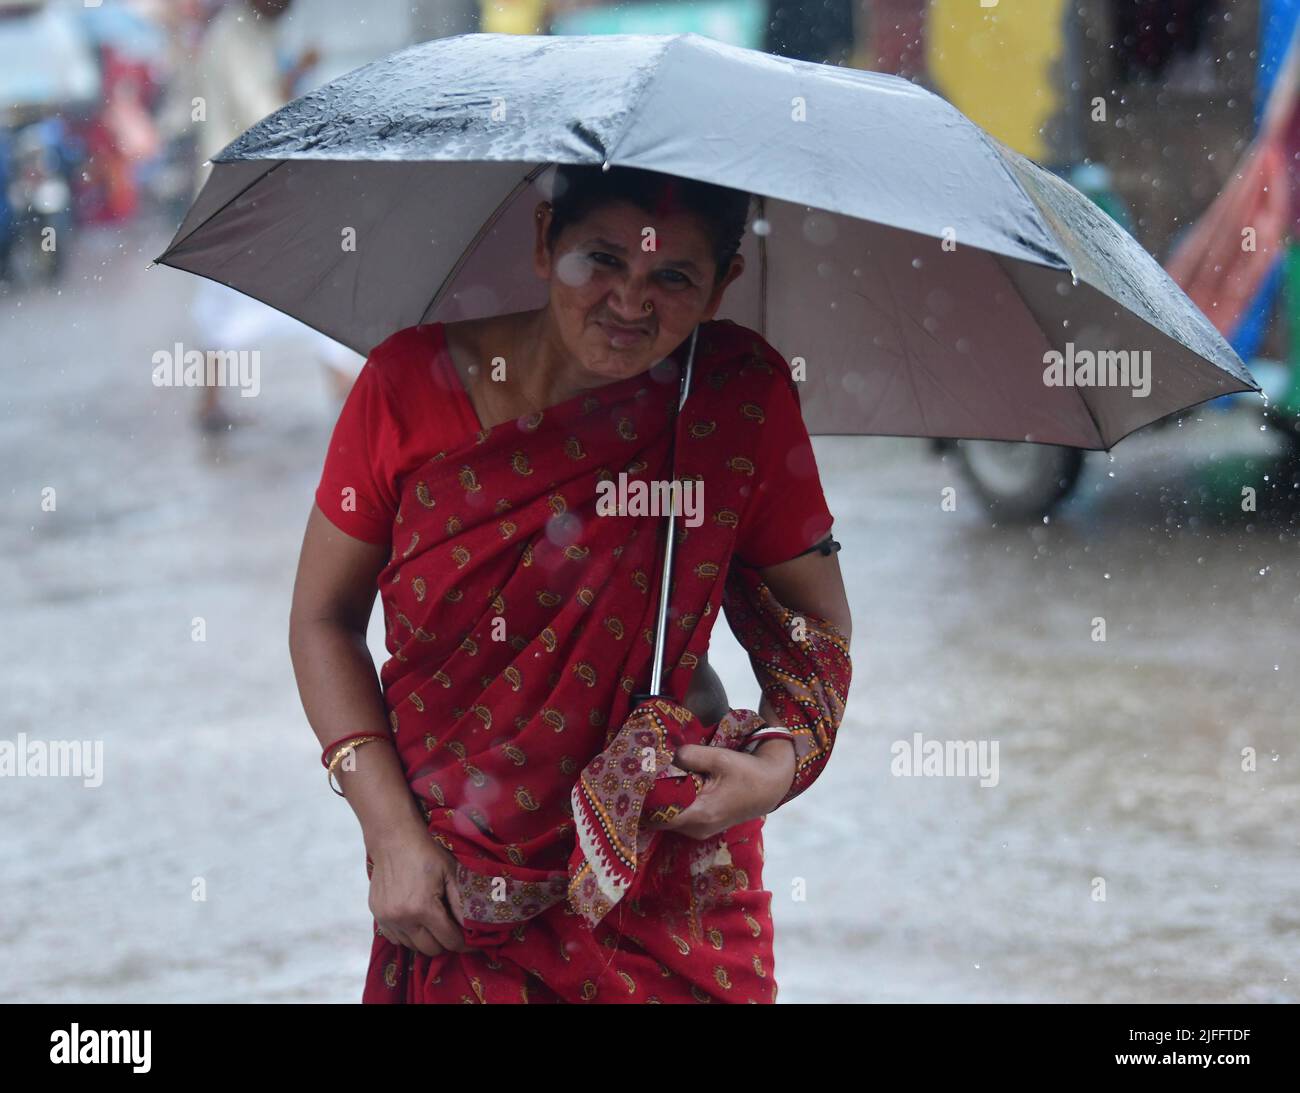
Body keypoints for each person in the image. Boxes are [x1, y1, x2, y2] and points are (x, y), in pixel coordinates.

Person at [289, 164, 853, 1003]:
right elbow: (323, 621)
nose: (630, 302)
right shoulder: (409, 387)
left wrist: (774, 769)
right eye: (601, 260)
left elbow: (815, 632)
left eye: (673, 276)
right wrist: (390, 833)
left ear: (724, 282)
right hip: (455, 890)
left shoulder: (737, 399)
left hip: (670, 892)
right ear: (545, 241)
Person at [184, 0, 349, 430]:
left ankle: (339, 382)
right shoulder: (233, 35)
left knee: (277, 285)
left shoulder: (251, 32)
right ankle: (342, 385)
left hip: (246, 186)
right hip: (240, 187)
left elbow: (265, 100)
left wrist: (294, 74)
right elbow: (261, 116)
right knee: (300, 280)